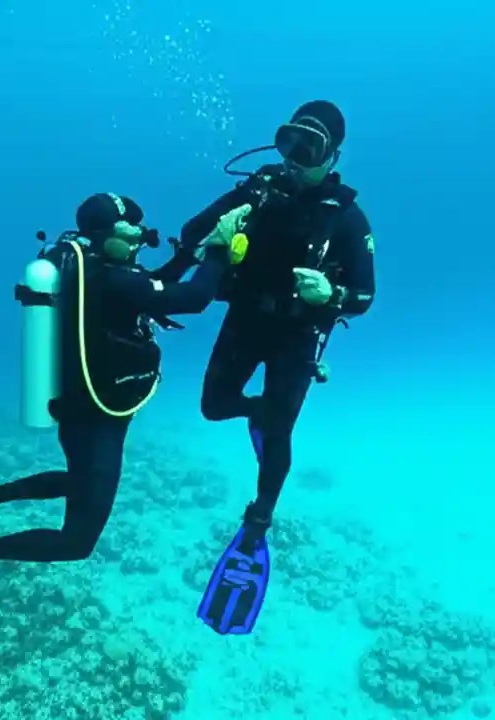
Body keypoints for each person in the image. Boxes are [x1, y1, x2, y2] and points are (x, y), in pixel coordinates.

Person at [0, 193, 252, 642]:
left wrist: (185, 255)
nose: (137, 239)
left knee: (83, 480)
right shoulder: (111, 278)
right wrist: (216, 251)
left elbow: (149, 289)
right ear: (104, 235)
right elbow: (189, 299)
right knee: (77, 542)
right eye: (129, 231)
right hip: (98, 419)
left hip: (81, 409)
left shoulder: (88, 267)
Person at [175, 100, 377, 634]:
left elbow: (365, 295)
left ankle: (258, 519)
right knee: (213, 406)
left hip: (297, 334)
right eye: (289, 142)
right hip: (245, 320)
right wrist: (216, 236)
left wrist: (331, 291)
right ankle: (262, 413)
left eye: (309, 148)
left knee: (281, 429)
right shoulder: (259, 188)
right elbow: (192, 229)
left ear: (332, 155)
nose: (294, 158)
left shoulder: (346, 216)